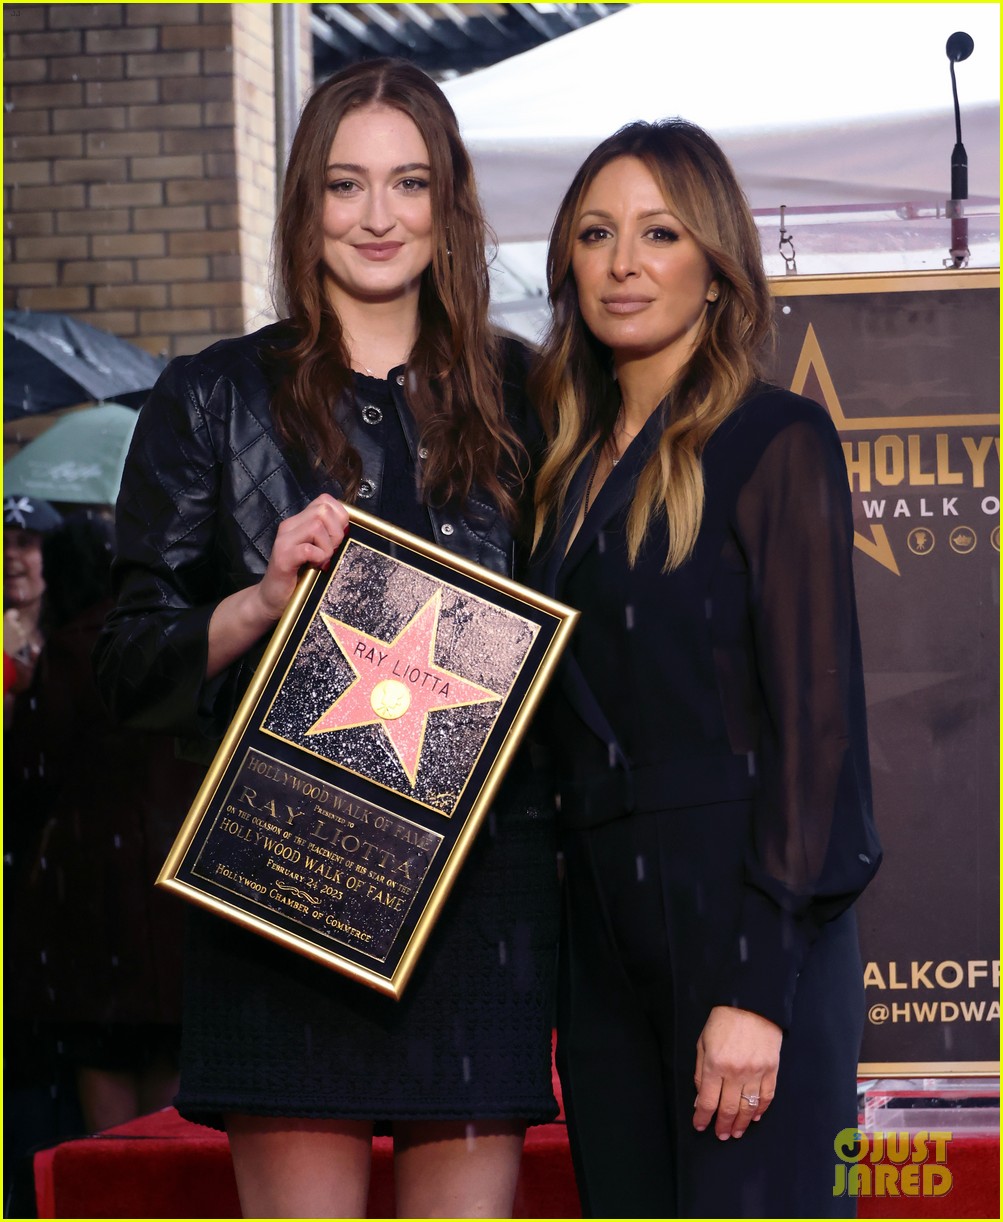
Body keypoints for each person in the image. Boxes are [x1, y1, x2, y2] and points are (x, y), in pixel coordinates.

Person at [93, 58, 559, 1219]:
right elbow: (124, 662)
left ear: (448, 205)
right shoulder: (209, 397)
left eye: (408, 184)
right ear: (306, 204)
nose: (378, 216)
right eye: (346, 185)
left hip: (478, 902)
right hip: (289, 894)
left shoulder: (529, 397)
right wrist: (257, 602)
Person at [527, 119, 882, 1218]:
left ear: (716, 268)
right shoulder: (553, 468)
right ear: (566, 265)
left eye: (659, 232)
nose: (623, 262)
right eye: (596, 234)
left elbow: (816, 737)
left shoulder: (775, 439)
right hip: (601, 950)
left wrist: (756, 991)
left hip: (744, 930)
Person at [5, 509, 197, 1139]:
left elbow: (29, 774)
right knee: (168, 1079)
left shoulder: (76, 646)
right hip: (174, 885)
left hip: (92, 899)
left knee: (105, 1082)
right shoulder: (194, 632)